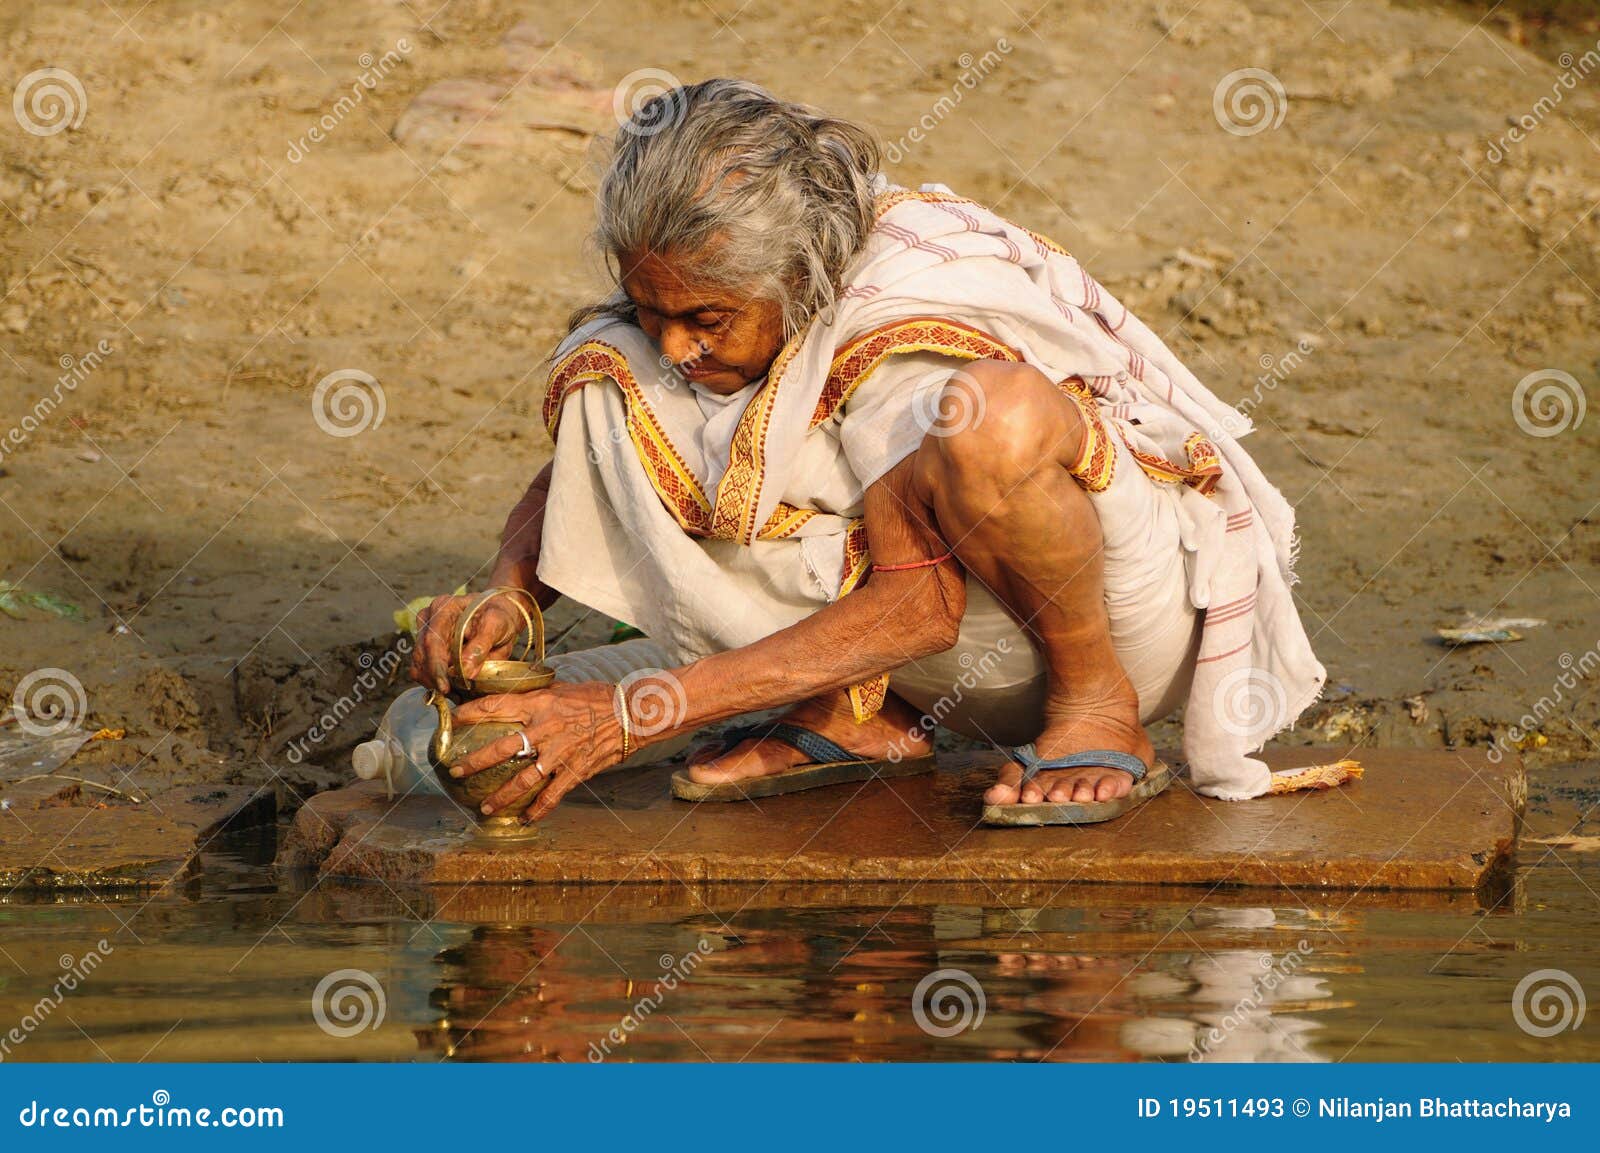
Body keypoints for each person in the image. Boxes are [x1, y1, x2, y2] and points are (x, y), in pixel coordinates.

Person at [407, 78, 1330, 826]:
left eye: (705, 318)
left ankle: (1099, 710)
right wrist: (508, 594)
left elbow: (918, 607)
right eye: (655, 307)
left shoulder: (900, 309)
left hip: (1090, 629)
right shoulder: (679, 323)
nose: (677, 345)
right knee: (608, 369)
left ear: (799, 277)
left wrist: (628, 715)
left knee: (992, 419)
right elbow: (593, 458)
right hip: (931, 669)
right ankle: (858, 714)